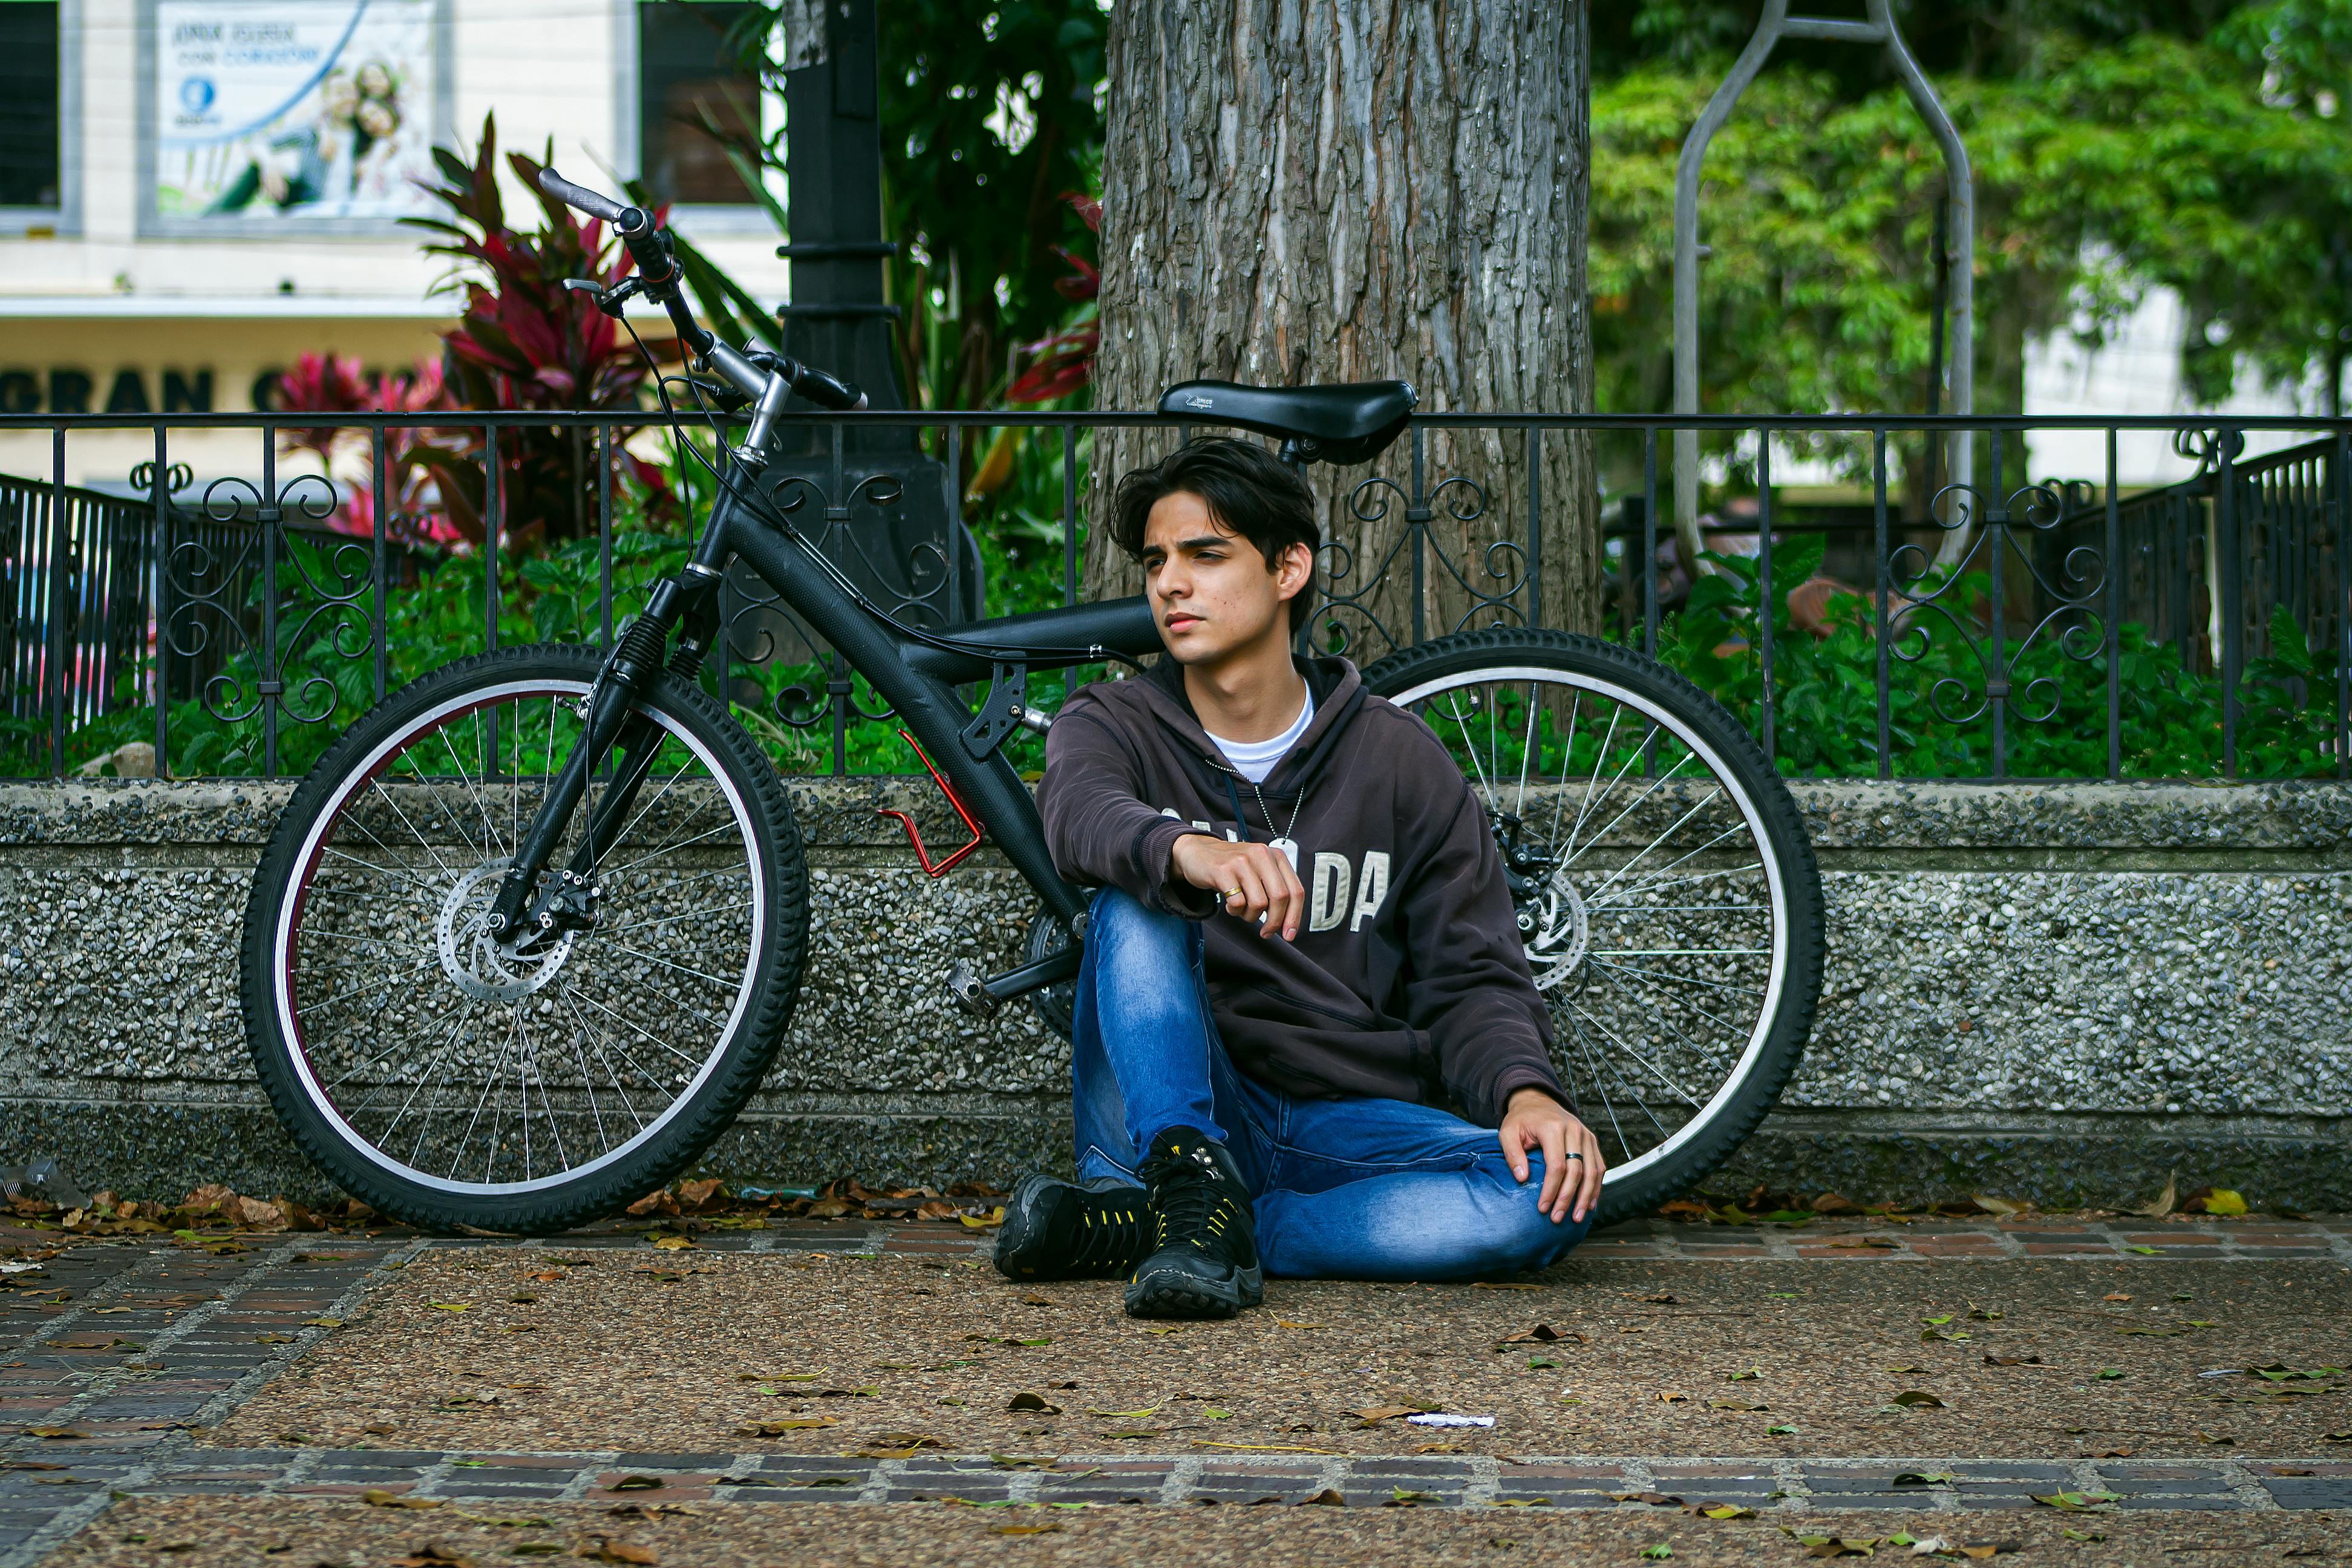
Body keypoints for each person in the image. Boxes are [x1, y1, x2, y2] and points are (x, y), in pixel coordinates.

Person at [996, 437, 1606, 1319]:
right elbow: (1082, 819)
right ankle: (1188, 1185)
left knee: (1550, 1189)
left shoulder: (1398, 759)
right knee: (1138, 901)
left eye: (1206, 554)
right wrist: (1188, 851)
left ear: (1289, 568)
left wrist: (1528, 1093)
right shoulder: (1113, 722)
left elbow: (1472, 972)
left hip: (1342, 1121)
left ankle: (1210, 1228)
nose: (1171, 583)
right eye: (1157, 560)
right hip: (1173, 1109)